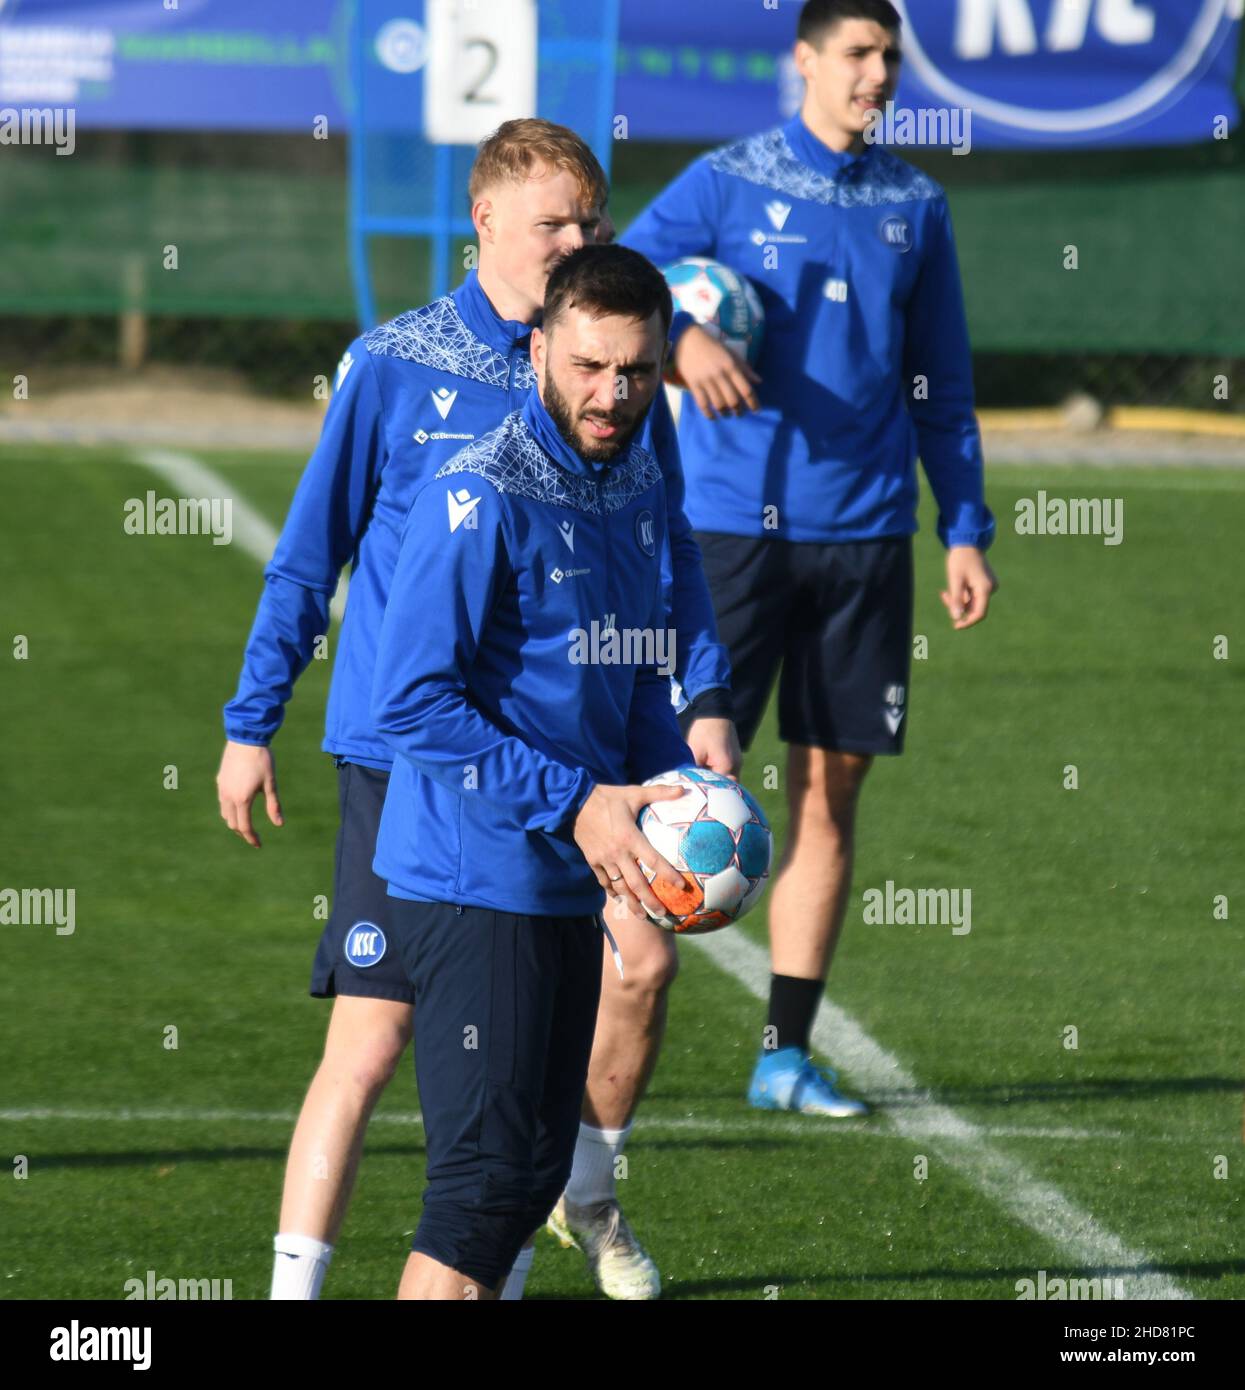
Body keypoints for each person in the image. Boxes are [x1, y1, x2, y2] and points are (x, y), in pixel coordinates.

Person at [216, 120, 733, 1300]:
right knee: (400, 1071)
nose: (576, 240)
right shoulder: (411, 380)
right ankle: (295, 1283)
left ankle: (589, 1199)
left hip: (567, 800)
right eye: (555, 221)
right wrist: (255, 719)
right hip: (431, 778)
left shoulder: (616, 412)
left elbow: (654, 588)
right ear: (485, 221)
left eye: (589, 223)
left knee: (522, 1153)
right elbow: (316, 566)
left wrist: (686, 723)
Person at [622, 0, 998, 1116]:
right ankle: (608, 1019)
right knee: (693, 777)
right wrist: (681, 336)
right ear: (805, 62)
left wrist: (965, 522)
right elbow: (613, 267)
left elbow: (943, 381)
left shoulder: (915, 206)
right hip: (733, 530)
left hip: (869, 536)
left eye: (890, 56)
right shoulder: (728, 181)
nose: (878, 73)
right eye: (858, 53)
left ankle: (783, 1052)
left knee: (832, 795)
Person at [372, 243, 690, 1299]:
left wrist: (673, 789)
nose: (612, 394)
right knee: (481, 1187)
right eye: (590, 366)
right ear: (540, 348)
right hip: (474, 877)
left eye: (637, 371)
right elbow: (410, 699)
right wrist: (576, 800)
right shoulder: (478, 496)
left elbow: (642, 667)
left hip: (567, 874)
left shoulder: (636, 482)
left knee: (530, 1179)